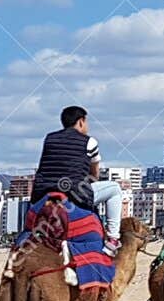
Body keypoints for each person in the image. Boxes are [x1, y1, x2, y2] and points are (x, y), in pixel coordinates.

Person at [30, 105, 124, 254]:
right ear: (81, 121)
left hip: (42, 193)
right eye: (86, 122)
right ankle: (113, 238)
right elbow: (94, 173)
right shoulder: (89, 142)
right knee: (115, 189)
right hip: (75, 193)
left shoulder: (49, 139)